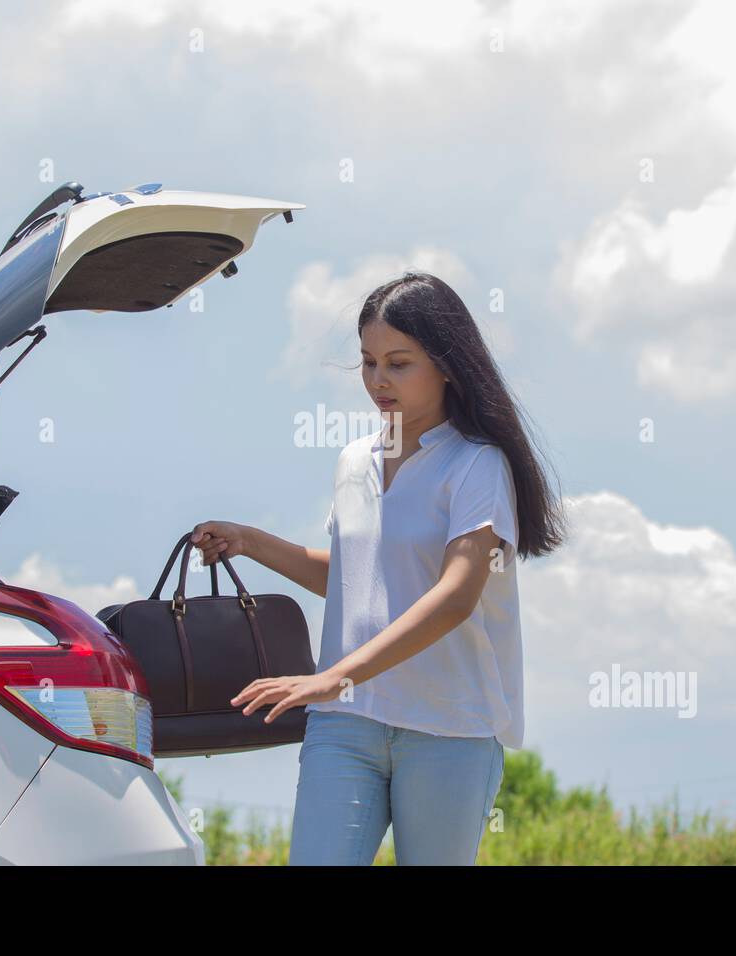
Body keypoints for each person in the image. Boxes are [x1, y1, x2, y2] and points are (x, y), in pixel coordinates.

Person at [191, 271, 566, 865]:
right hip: (345, 725)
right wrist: (251, 541)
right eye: (368, 363)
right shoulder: (351, 461)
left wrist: (333, 676)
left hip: (447, 727)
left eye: (398, 363)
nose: (378, 380)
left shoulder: (478, 466)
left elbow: (454, 596)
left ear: (446, 365)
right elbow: (350, 578)